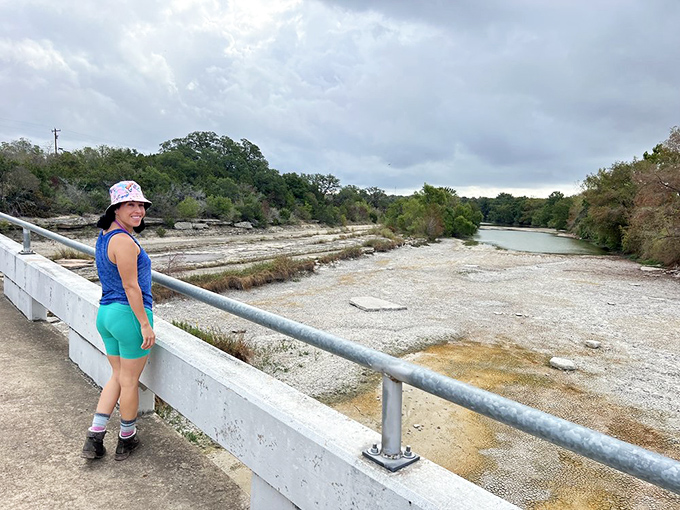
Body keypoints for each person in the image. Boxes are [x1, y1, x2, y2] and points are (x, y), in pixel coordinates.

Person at [81, 181, 155, 461]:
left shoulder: (104, 235)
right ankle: (127, 438)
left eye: (141, 205)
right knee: (129, 381)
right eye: (130, 205)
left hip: (106, 315)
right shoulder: (123, 241)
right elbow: (131, 286)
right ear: (116, 209)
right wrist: (145, 325)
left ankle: (95, 437)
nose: (138, 211)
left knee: (117, 375)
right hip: (128, 316)